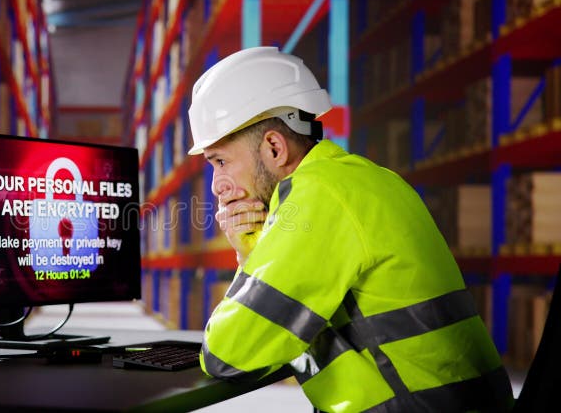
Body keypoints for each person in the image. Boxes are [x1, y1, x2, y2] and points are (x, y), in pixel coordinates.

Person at [187, 47, 512, 412]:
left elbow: (230, 355)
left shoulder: (317, 197)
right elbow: (278, 343)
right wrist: (256, 251)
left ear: (274, 148)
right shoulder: (364, 179)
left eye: (220, 161)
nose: (217, 185)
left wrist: (249, 260)